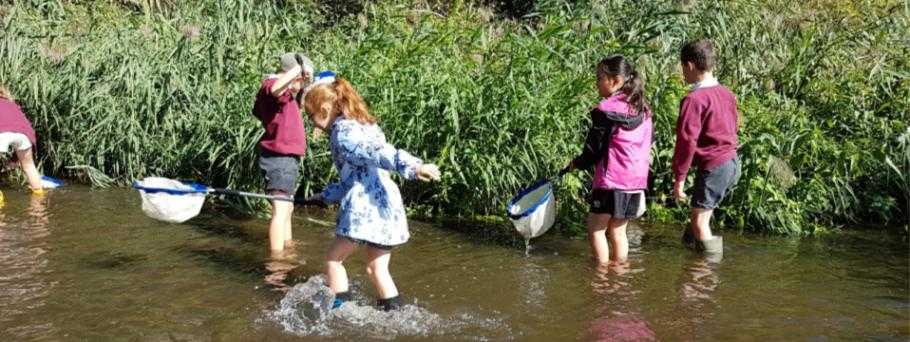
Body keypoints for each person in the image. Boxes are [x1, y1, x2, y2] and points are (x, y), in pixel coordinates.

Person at [302, 74, 440, 311]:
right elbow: (358, 174)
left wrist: (413, 166)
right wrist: (324, 197)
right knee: (376, 268)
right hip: (386, 204)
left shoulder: (342, 132)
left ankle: (338, 314)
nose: (311, 122)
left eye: (310, 115)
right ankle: (395, 316)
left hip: (364, 207)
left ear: (324, 108)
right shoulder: (364, 125)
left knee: (333, 260)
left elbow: (377, 153)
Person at [563, 55, 653, 264]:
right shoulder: (645, 110)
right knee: (619, 232)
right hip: (636, 183)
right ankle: (619, 278)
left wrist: (576, 164)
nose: (596, 83)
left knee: (596, 228)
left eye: (599, 78)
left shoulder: (605, 111)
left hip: (611, 181)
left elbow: (593, 150)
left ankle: (601, 280)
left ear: (615, 80)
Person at [672, 39, 741, 255]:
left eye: (683, 68)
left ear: (690, 65)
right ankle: (692, 258)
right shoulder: (727, 93)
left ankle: (704, 279)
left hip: (715, 166)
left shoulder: (694, 99)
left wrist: (679, 179)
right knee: (699, 218)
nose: (683, 73)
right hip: (732, 163)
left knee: (700, 222)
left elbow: (686, 141)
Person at [252, 53, 314, 255]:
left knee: (287, 207)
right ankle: (277, 261)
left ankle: (288, 248)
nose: (300, 86)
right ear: (291, 74)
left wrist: (302, 83)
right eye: (300, 81)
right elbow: (277, 87)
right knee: (280, 208)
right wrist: (298, 69)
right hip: (278, 158)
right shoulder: (271, 85)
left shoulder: (287, 96)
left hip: (287, 159)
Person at [0, 85, 60, 198]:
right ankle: (38, 197)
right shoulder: (12, 105)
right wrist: (15, 160)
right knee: (28, 166)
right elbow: (25, 128)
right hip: (24, 135)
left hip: (2, 132)